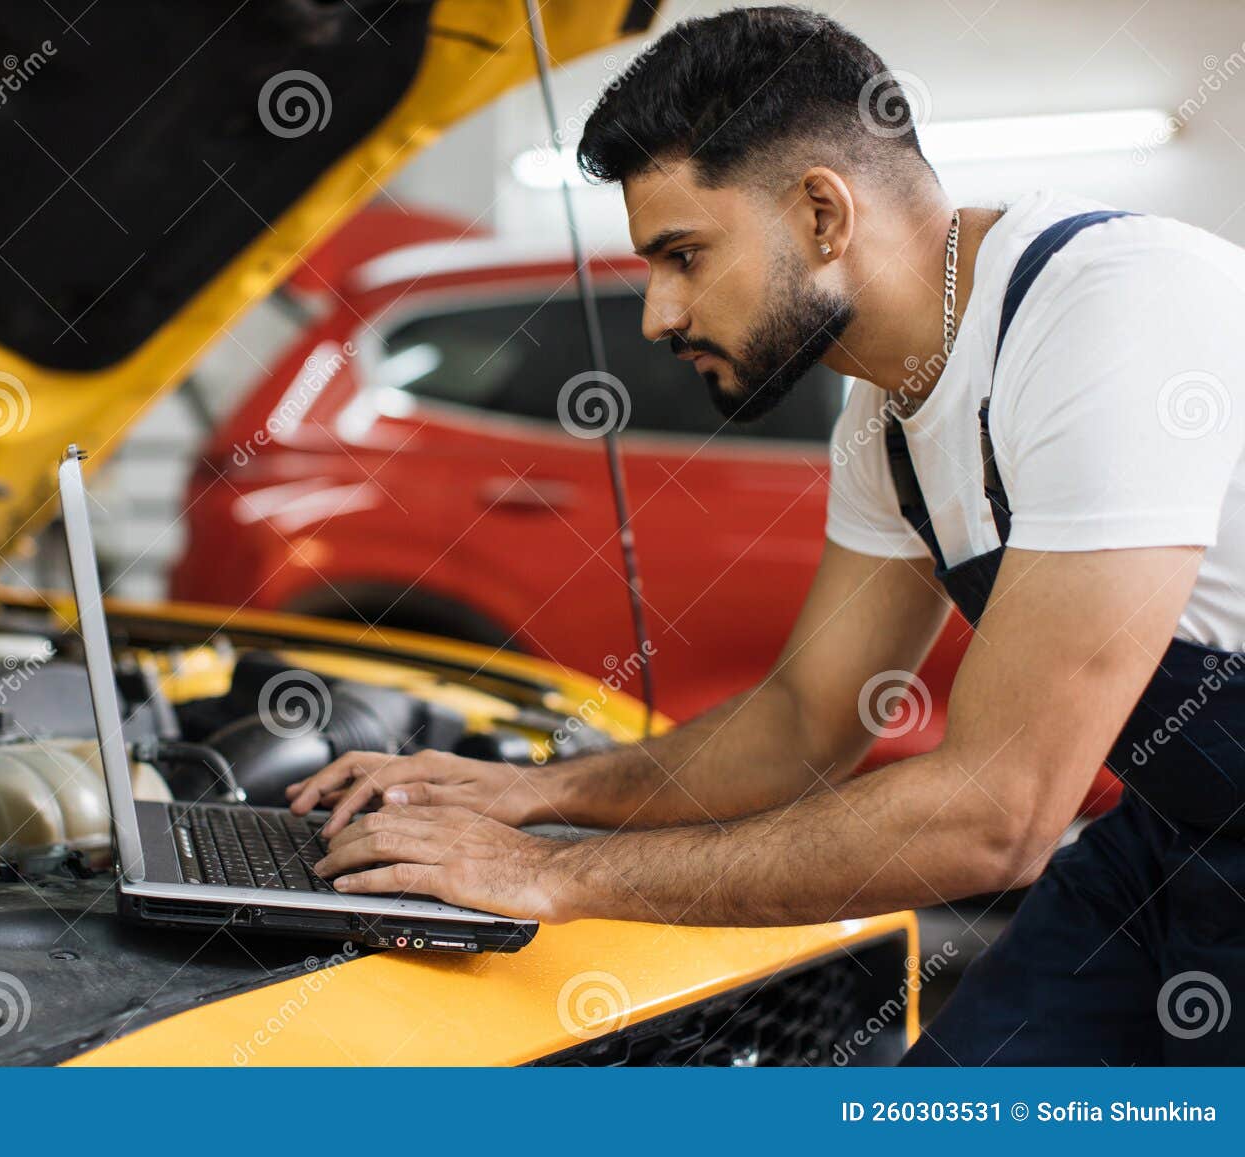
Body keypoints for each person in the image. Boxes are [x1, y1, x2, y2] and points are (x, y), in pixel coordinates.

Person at [285, 6, 1245, 1064]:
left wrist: (550, 874)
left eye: (684, 254)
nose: (659, 314)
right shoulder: (886, 417)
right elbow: (802, 719)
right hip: (1170, 839)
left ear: (822, 215)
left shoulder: (1110, 311)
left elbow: (998, 813)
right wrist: (533, 793)